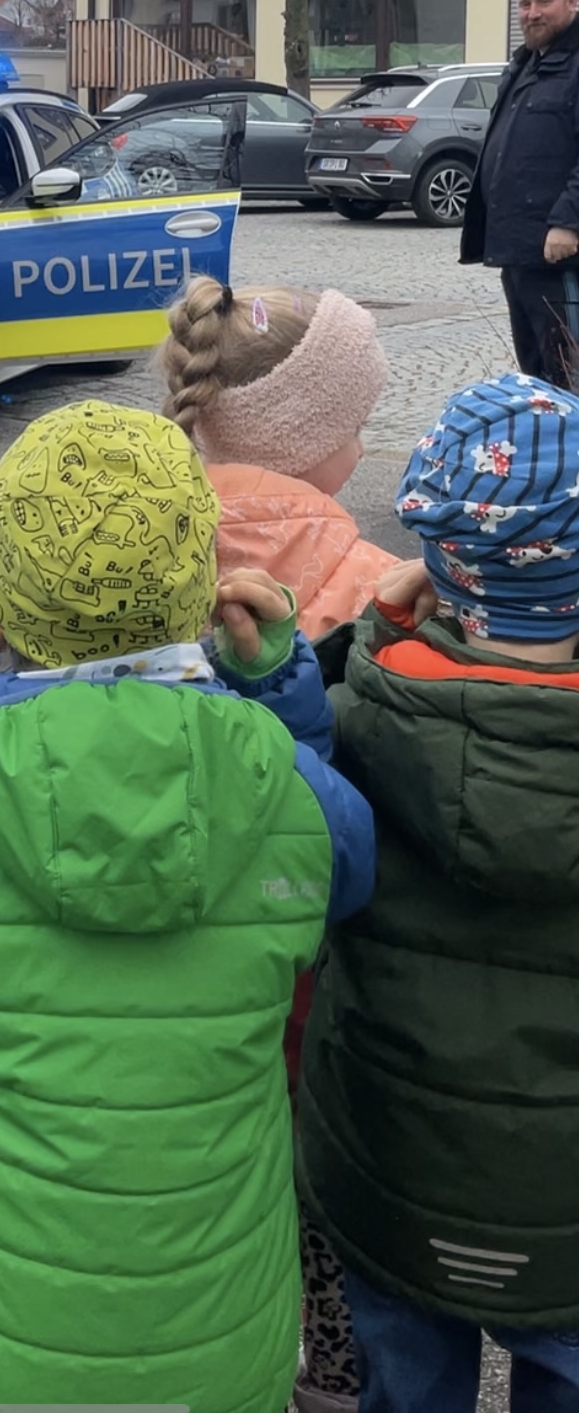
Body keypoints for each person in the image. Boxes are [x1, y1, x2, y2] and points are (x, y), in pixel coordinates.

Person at [0, 401, 375, 1412]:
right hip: (211, 1333)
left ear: (11, 591)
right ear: (201, 585)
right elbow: (340, 860)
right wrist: (280, 692)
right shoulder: (290, 792)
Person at [298, 373, 579, 1413]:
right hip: (564, 1205)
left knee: (402, 1383)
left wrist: (368, 633)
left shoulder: (355, 718)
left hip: (390, 1166)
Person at [162, 273, 396, 1412]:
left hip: (164, 1011)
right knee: (320, 1221)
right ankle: (331, 1378)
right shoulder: (370, 589)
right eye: (355, 423)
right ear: (319, 442)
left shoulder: (130, 555)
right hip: (324, 1002)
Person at [162, 275, 396, 640]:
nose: (362, 448)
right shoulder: (378, 585)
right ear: (293, 434)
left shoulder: (150, 551)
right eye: (354, 428)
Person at [462, 0, 579, 388]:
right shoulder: (526, 65)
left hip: (561, 254)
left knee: (570, 371)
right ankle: (552, 449)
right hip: (519, 252)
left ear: (572, 2)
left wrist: (569, 221)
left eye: (544, 2)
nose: (532, 13)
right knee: (537, 373)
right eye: (525, 4)